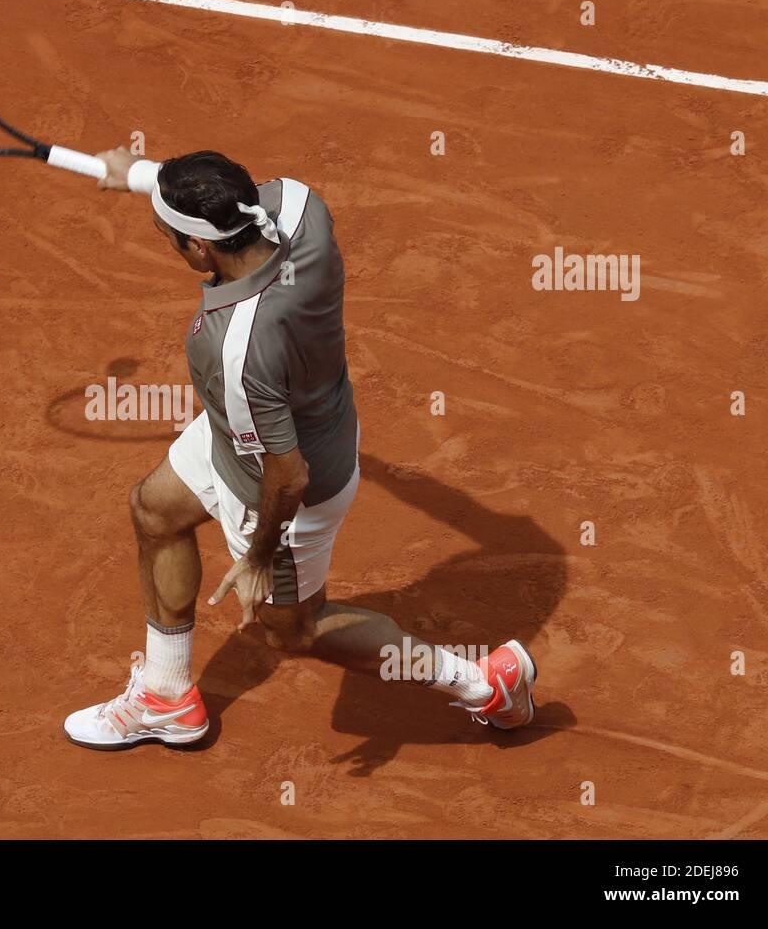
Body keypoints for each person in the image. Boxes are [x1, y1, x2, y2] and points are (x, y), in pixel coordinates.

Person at [63, 149, 536, 750]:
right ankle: (166, 694)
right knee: (156, 509)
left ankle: (484, 685)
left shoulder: (235, 349)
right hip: (282, 423)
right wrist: (137, 176)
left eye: (170, 238)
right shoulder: (298, 205)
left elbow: (286, 475)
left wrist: (260, 556)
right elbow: (231, 193)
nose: (168, 245)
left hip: (285, 488)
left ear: (201, 249)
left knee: (297, 632)